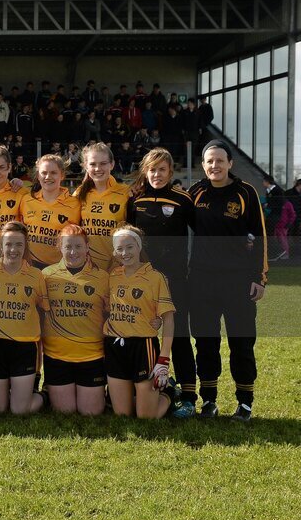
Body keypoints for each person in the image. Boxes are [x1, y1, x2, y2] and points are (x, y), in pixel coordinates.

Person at [189, 140, 267, 421]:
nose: (214, 166)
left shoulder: (246, 192)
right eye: (209, 161)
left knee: (241, 343)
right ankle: (208, 401)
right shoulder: (195, 193)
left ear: (230, 163)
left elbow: (259, 237)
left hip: (238, 281)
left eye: (220, 160)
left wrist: (259, 278)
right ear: (203, 164)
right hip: (201, 281)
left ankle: (244, 403)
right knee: (206, 342)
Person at [127, 147, 197, 417]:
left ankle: (190, 397)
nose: (157, 174)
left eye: (162, 169)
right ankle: (159, 386)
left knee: (178, 335)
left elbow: (203, 234)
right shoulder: (136, 200)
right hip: (143, 281)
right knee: (144, 334)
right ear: (146, 170)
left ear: (170, 172)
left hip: (175, 280)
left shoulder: (183, 200)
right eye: (152, 169)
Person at [0, 221, 48, 414]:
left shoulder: (36, 275)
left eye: (19, 245)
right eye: (9, 244)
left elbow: (42, 310)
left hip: (24, 347)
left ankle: (45, 395)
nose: (13, 249)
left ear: (25, 246)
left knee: (19, 410)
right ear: (1, 246)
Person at [104, 225, 178, 419]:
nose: (125, 253)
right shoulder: (111, 276)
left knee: (146, 417)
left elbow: (168, 319)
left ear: (139, 247)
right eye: (119, 248)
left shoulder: (156, 277)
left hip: (143, 345)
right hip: (114, 344)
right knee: (122, 414)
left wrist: (163, 359)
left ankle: (169, 393)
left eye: (130, 247)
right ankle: (142, 397)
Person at [42, 224, 108, 415]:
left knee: (92, 413)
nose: (73, 252)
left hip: (92, 355)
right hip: (56, 356)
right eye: (68, 246)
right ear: (59, 248)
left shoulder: (102, 277)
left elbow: (113, 313)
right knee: (65, 411)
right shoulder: (46, 275)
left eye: (78, 246)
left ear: (87, 247)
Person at [75, 142, 132, 269]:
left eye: (103, 163)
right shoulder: (79, 193)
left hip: (118, 265)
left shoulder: (126, 192)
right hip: (87, 267)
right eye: (93, 164)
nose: (97, 168)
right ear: (85, 166)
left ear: (112, 164)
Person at [19, 154, 81, 269]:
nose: (48, 176)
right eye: (44, 173)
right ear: (38, 176)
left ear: (62, 175)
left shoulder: (75, 204)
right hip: (29, 267)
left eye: (53, 173)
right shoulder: (26, 200)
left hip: (59, 268)